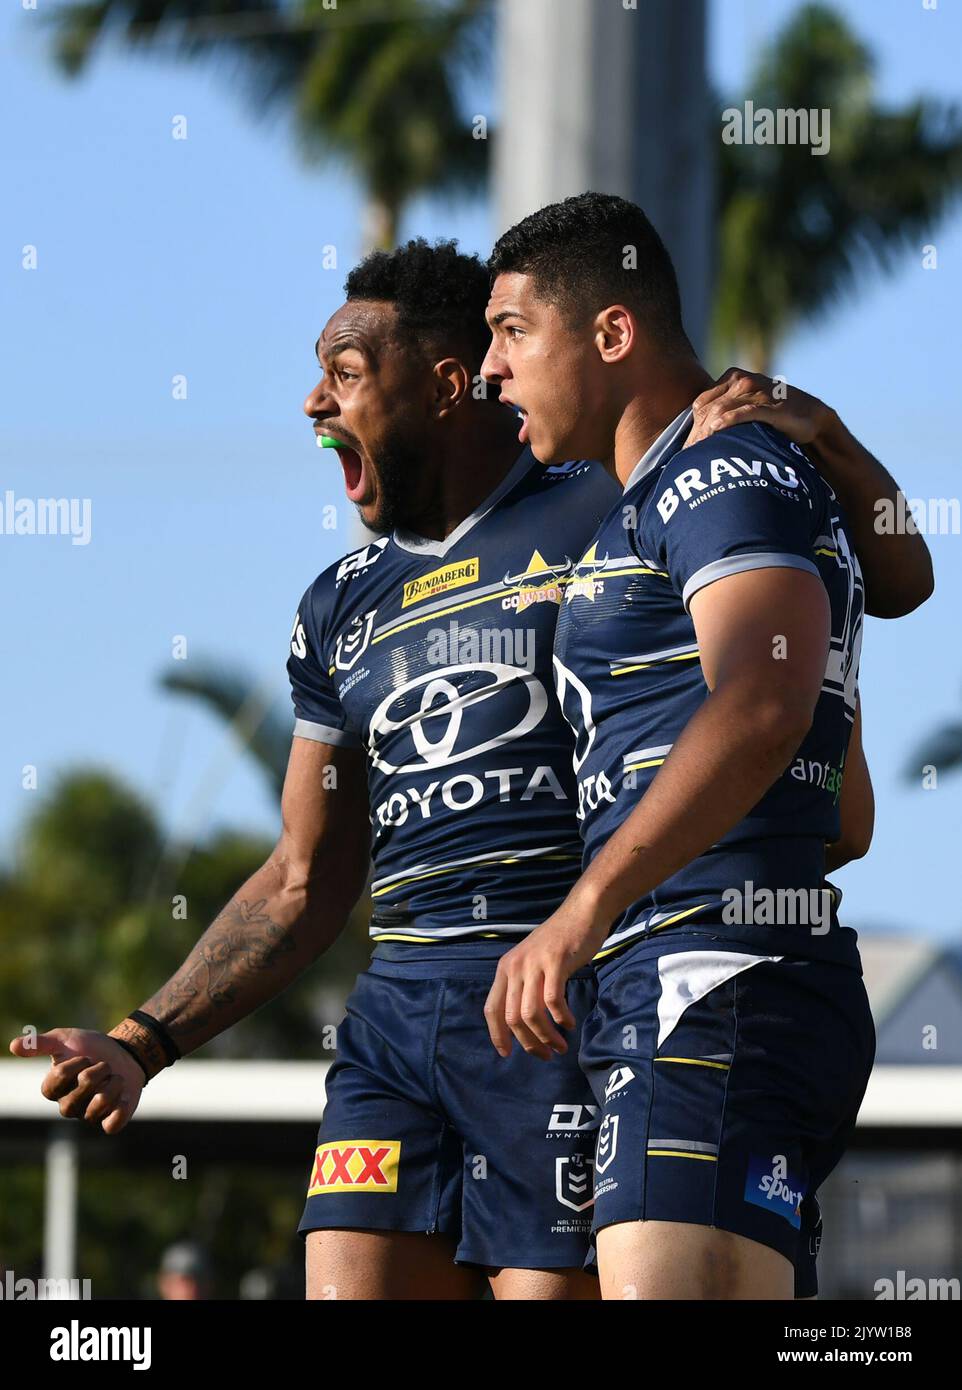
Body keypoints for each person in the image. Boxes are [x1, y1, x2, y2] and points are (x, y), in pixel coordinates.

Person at [10, 235, 928, 1302]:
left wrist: (819, 431)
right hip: (396, 1020)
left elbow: (888, 575)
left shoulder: (612, 493)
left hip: (555, 1004)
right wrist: (142, 1041)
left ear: (444, 386)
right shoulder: (336, 607)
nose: (313, 401)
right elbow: (302, 877)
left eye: (345, 373)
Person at [480, 192, 933, 1300]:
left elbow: (766, 696)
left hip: (703, 983)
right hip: (719, 980)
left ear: (612, 333)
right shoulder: (706, 487)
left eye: (509, 331)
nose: (489, 370)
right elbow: (845, 814)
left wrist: (581, 911)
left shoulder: (710, 474)